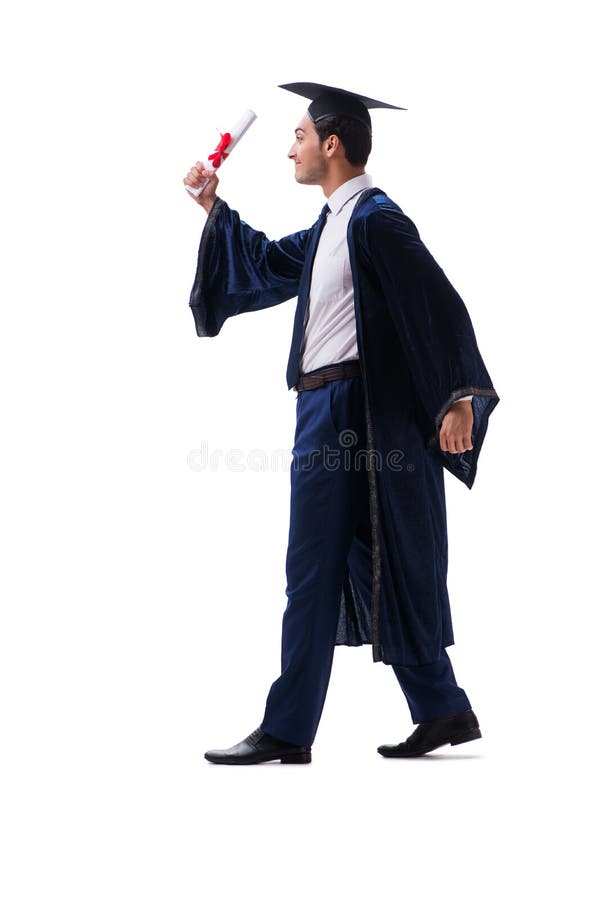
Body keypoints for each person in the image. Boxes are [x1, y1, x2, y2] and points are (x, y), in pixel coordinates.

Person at [184, 82, 500, 765]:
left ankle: (287, 729)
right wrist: (213, 207)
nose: (290, 149)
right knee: (373, 557)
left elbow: (441, 305)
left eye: (299, 136)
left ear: (332, 143)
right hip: (326, 407)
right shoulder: (331, 225)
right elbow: (268, 264)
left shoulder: (375, 221)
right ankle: (443, 708)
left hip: (352, 411)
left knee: (311, 568)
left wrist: (459, 398)